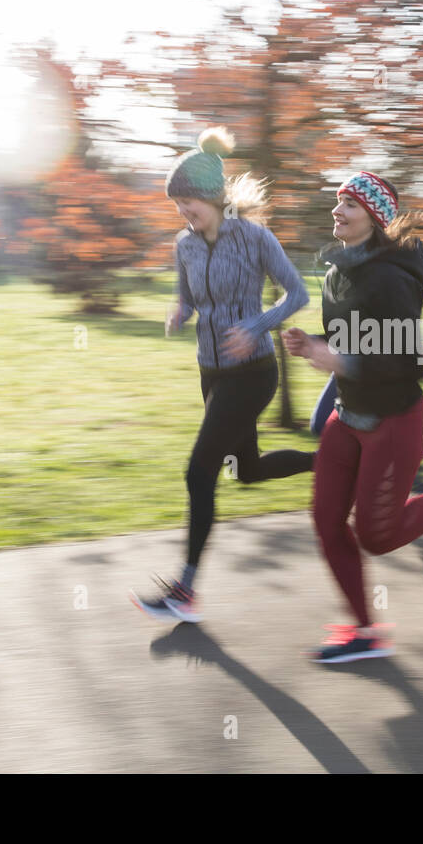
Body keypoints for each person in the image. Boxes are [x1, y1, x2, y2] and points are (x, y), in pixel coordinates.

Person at [282, 172, 423, 663]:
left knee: (376, 537)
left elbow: (410, 360)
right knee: (326, 521)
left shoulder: (391, 278)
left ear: (374, 218)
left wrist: (338, 360)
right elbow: (349, 340)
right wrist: (313, 348)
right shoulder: (339, 271)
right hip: (349, 413)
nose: (337, 211)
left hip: (393, 420)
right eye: (337, 202)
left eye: (350, 206)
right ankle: (365, 630)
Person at [130, 127, 313, 623]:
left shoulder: (254, 238)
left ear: (212, 196)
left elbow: (297, 295)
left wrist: (256, 324)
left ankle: (184, 591)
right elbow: (188, 296)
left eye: (188, 201)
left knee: (199, 470)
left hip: (252, 373)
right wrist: (179, 312)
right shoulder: (184, 245)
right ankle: (331, 460)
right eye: (177, 204)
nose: (182, 212)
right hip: (210, 372)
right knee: (246, 470)